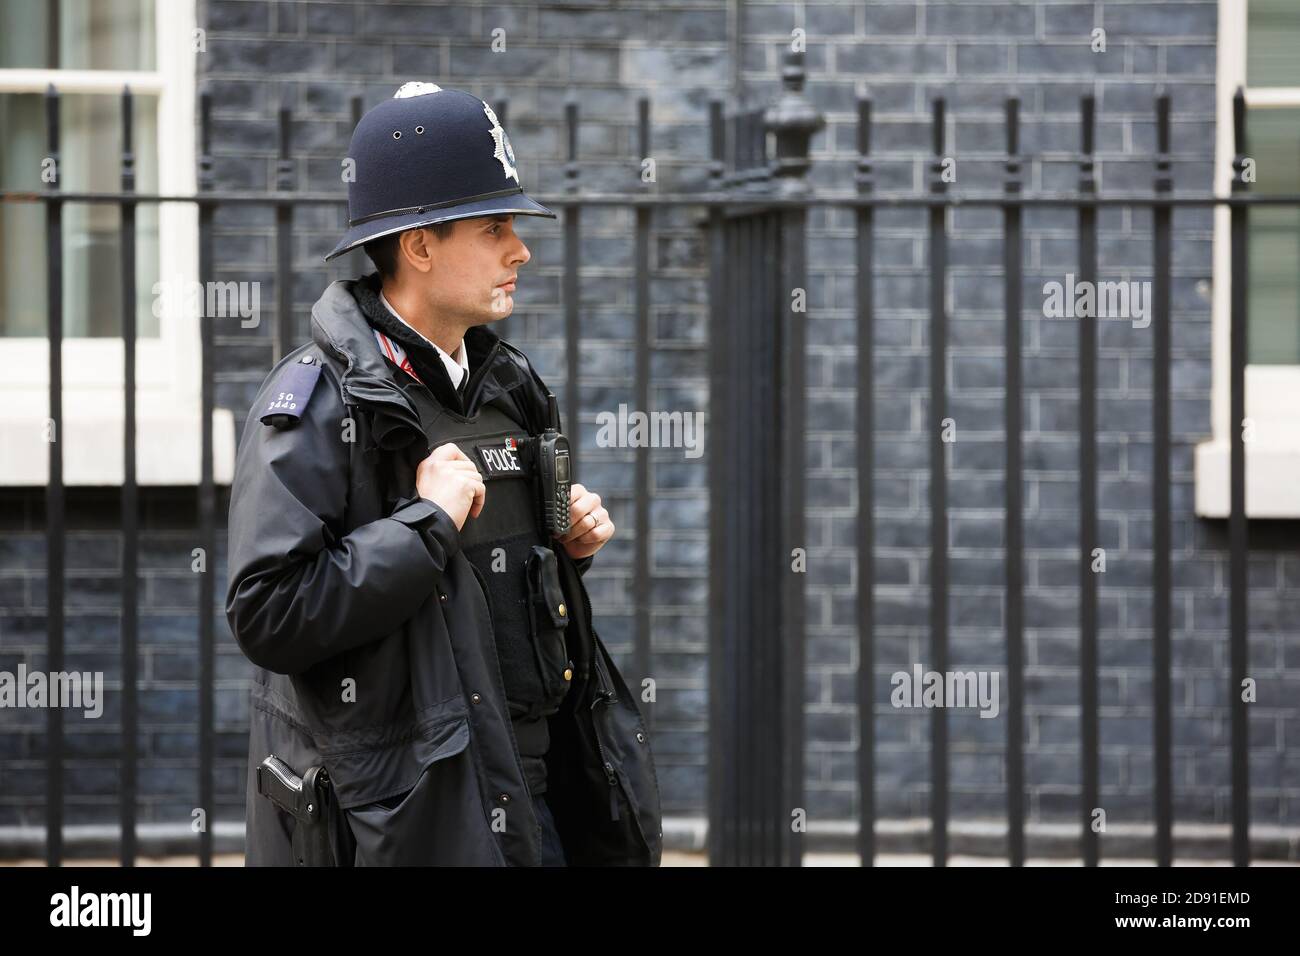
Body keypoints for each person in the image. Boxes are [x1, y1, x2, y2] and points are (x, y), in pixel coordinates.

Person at [225, 82, 662, 866]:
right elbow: (268, 615)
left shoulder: (510, 387)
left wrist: (567, 549)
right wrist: (424, 526)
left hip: (537, 800)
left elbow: (498, 607)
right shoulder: (314, 403)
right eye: (494, 227)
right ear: (420, 245)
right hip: (409, 826)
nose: (520, 250)